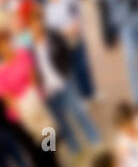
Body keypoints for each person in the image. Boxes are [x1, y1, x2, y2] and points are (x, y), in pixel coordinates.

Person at [27, 12, 101, 156]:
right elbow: (33, 70)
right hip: (49, 92)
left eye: (37, 22)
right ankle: (75, 149)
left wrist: (66, 71)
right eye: (32, 24)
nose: (36, 26)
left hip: (64, 81)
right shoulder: (30, 49)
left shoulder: (53, 36)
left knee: (78, 111)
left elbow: (66, 52)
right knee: (62, 123)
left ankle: (94, 138)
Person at [41, 0, 96, 101]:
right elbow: (51, 28)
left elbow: (78, 11)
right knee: (73, 71)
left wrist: (76, 24)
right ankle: (82, 96)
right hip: (63, 44)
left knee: (83, 66)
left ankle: (91, 93)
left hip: (76, 37)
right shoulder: (48, 9)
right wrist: (63, 32)